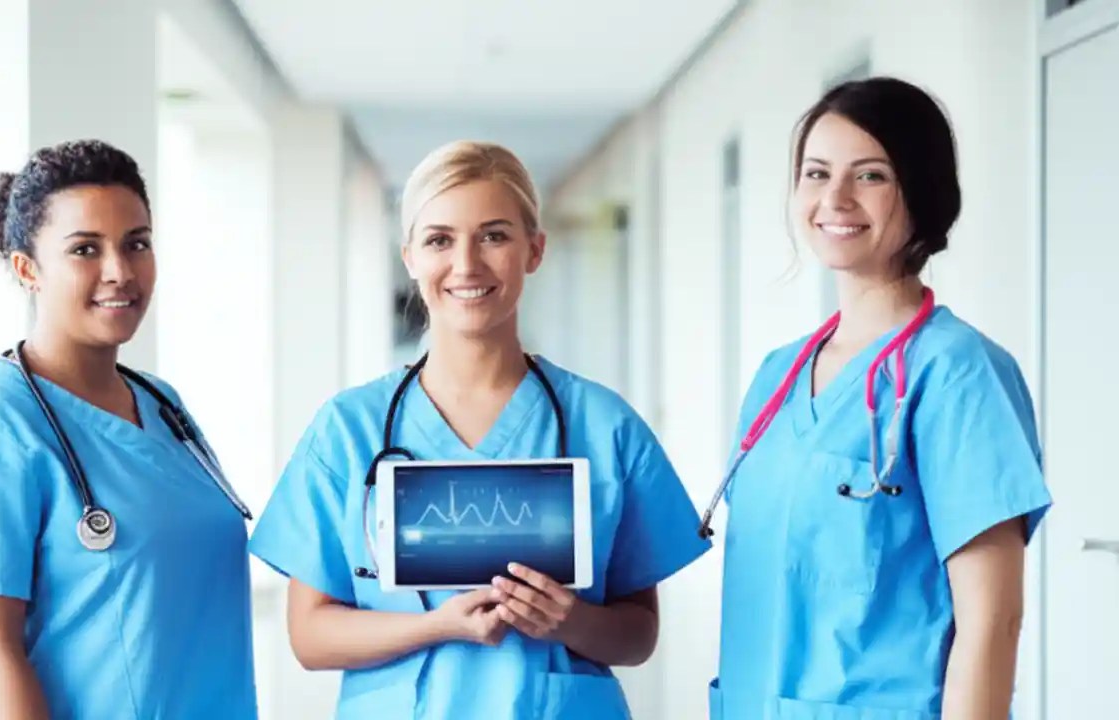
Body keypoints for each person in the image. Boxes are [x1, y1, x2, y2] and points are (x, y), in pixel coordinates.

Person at [249, 140, 711, 719]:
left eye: (494, 235)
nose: (466, 264)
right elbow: (311, 637)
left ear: (534, 250)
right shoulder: (349, 430)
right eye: (439, 239)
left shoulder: (604, 425)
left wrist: (573, 620)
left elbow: (639, 635)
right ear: (410, 256)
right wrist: (437, 626)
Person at [701, 77, 1053, 719]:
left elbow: (993, 620)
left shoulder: (955, 372)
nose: (834, 198)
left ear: (921, 191)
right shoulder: (777, 376)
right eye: (815, 173)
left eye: (870, 176)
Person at [0, 139, 258, 719]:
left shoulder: (162, 404)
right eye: (84, 250)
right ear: (28, 268)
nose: (119, 272)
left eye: (137, 244)